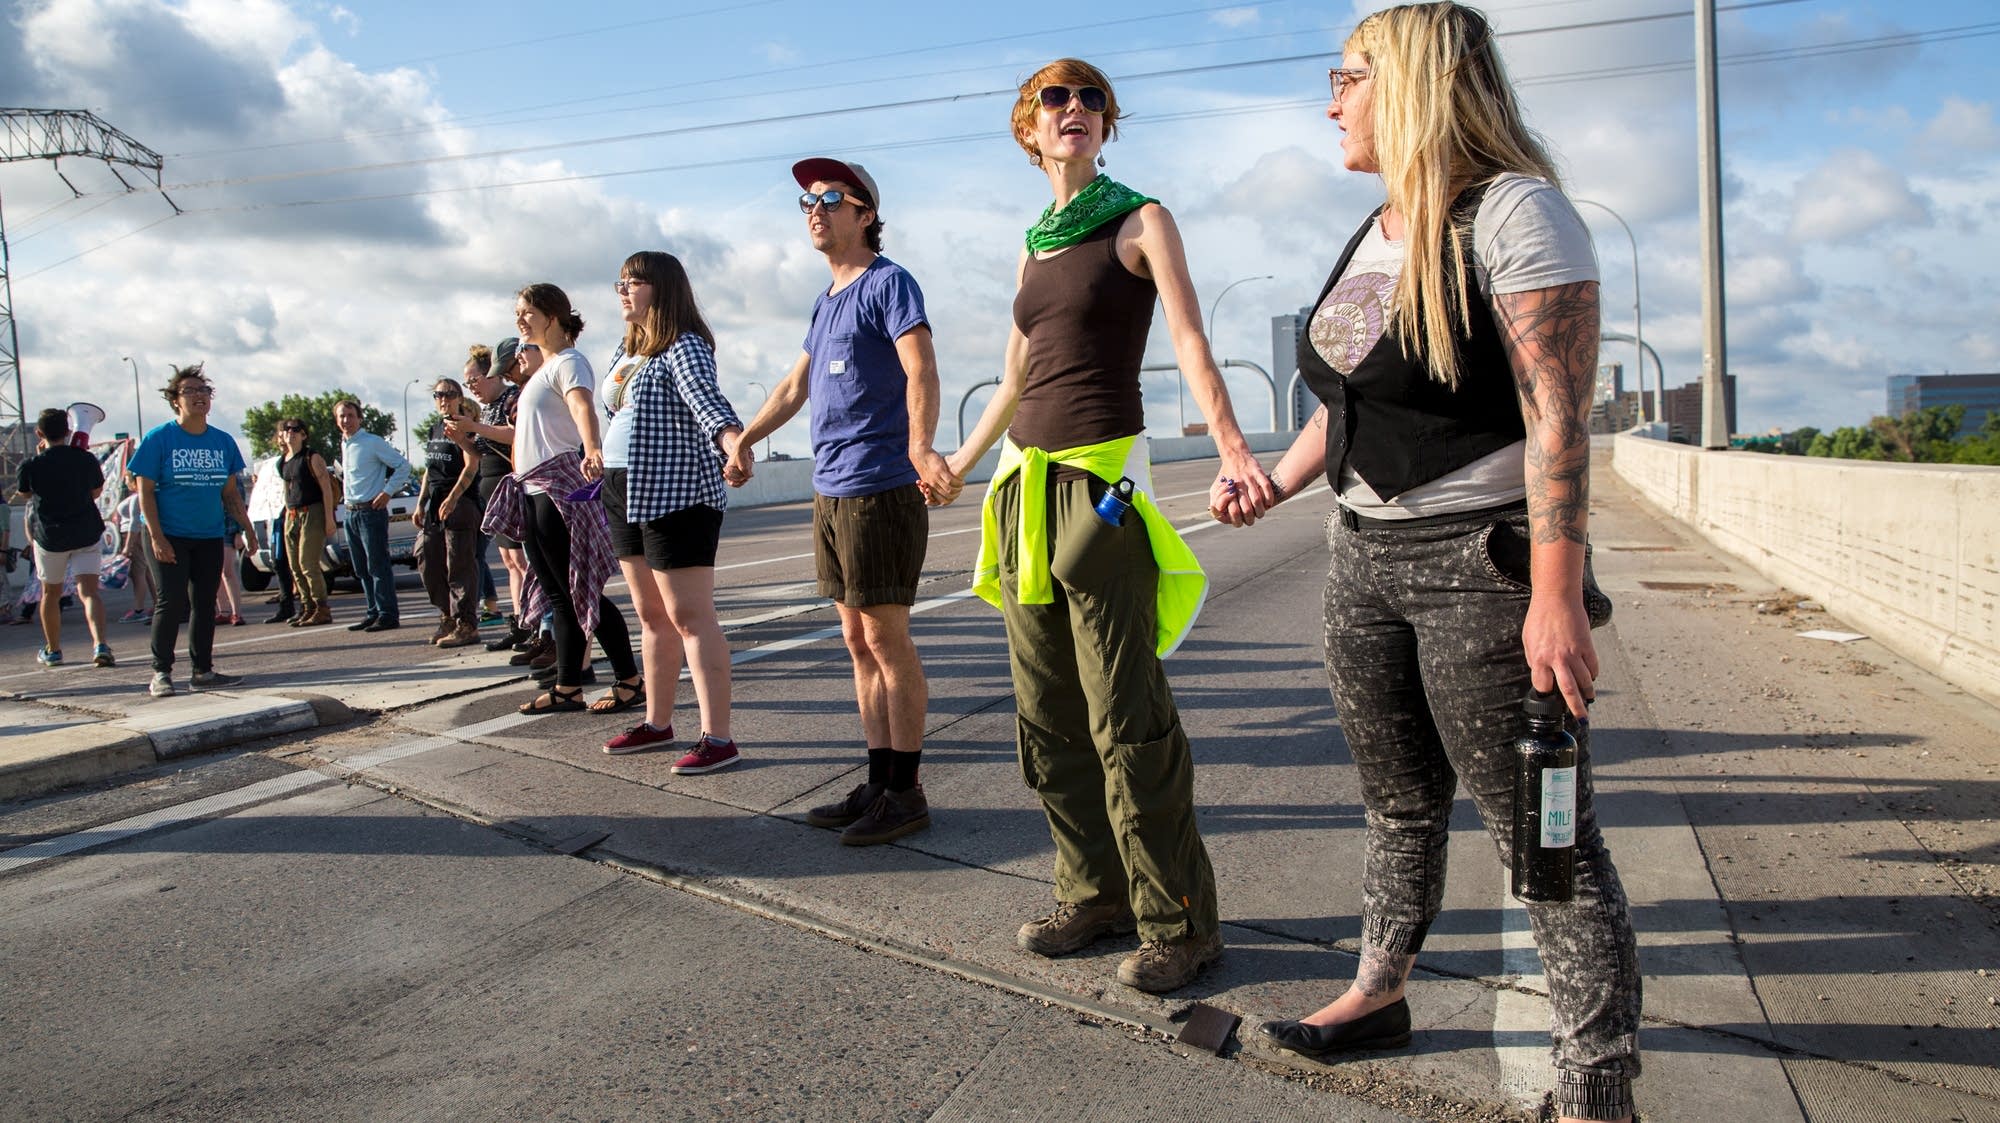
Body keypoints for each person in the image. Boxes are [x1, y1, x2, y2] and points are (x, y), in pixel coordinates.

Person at [1213, 8, 1640, 1120]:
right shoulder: (1378, 230)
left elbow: (1557, 423)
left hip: (1479, 566)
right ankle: (1378, 990)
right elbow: (1345, 397)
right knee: (1396, 802)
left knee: (1541, 837)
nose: (1329, 101)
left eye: (1345, 78)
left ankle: (1594, 1086)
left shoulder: (1517, 216)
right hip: (1361, 558)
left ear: (1406, 85)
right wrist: (1275, 476)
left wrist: (1553, 594)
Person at [944, 62, 1272, 992]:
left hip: (1098, 488)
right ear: (1028, 128)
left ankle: (1179, 920)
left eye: (1091, 101)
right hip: (1020, 489)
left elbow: (1192, 340)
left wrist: (1233, 448)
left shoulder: (1141, 219)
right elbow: (1012, 379)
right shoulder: (1034, 244)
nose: (1075, 111)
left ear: (1107, 125)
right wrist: (958, 466)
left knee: (1125, 715)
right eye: (1057, 100)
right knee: (1046, 716)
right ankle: (1093, 892)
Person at [726, 158, 957, 836]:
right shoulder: (827, 300)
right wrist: (744, 439)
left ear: (865, 214)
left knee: (887, 640)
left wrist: (921, 447)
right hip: (830, 490)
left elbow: (922, 368)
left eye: (830, 198)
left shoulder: (890, 284)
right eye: (805, 201)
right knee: (856, 640)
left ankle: (907, 793)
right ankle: (878, 779)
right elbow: (793, 388)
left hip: (880, 486)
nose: (815, 209)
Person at [599, 251, 747, 771]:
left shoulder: (683, 345)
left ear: (662, 289)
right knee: (651, 616)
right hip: (623, 488)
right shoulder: (627, 348)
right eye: (619, 281)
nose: (622, 290)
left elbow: (707, 401)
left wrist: (732, 442)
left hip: (676, 491)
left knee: (690, 616)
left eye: (634, 282)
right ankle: (658, 723)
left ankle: (719, 738)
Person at [482, 283, 640, 715]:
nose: (519, 320)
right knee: (560, 595)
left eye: (526, 312)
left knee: (581, 590)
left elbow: (582, 406)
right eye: (518, 312)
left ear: (552, 316)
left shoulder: (569, 362)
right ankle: (568, 686)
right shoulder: (543, 367)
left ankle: (629, 679)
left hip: (560, 490)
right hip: (532, 490)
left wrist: (592, 447)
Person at [127, 364, 260, 696]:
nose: (200, 397)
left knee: (205, 603)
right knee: (171, 602)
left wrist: (248, 529)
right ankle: (161, 672)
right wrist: (156, 537)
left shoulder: (223, 442)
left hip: (208, 535)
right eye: (190, 391)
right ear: (176, 401)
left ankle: (202, 670)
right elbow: (144, 493)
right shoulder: (159, 439)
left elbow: (230, 494)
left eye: (205, 391)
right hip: (167, 533)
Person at [13, 408, 112, 668]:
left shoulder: (31, 465)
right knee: (89, 592)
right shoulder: (85, 459)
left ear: (39, 433)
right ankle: (100, 645)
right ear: (69, 431)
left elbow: (24, 494)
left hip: (50, 537)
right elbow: (96, 491)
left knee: (51, 594)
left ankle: (53, 650)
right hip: (86, 532)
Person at [451, 337, 532, 652]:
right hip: (494, 492)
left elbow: (517, 436)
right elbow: (480, 452)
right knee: (510, 562)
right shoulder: (486, 411)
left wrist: (476, 427)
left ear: (494, 374)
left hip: (513, 488)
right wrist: (463, 439)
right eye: (467, 381)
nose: (471, 386)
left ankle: (535, 625)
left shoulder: (512, 399)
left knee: (523, 562)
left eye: (474, 379)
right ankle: (520, 623)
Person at [414, 377, 484, 648]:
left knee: (459, 565)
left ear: (458, 397)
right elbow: (429, 471)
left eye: (449, 394)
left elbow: (472, 464)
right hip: (434, 505)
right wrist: (421, 503)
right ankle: (447, 616)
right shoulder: (435, 429)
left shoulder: (462, 426)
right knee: (426, 557)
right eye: (438, 395)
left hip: (460, 504)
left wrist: (454, 497)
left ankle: (466, 623)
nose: (443, 399)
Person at [334, 396, 412, 632]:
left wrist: (387, 492)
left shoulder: (371, 442)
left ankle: (388, 614)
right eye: (341, 416)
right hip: (351, 512)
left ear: (359, 418)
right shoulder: (345, 444)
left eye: (350, 415)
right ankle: (373, 611)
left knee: (378, 565)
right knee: (361, 568)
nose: (346, 420)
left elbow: (402, 466)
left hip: (371, 511)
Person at [275, 418, 337, 627]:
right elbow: (287, 490)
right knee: (294, 566)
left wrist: (329, 518)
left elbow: (326, 488)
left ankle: (322, 608)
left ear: (304, 435)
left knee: (307, 563)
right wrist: (286, 515)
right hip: (292, 514)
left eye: (296, 430)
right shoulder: (283, 461)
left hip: (313, 511)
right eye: (287, 429)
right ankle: (307, 606)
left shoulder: (312, 457)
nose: (290, 433)